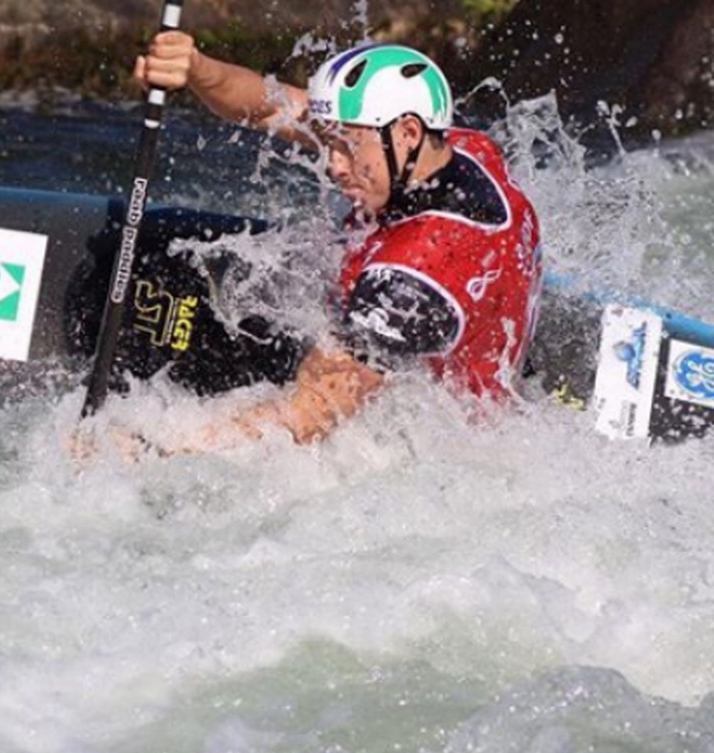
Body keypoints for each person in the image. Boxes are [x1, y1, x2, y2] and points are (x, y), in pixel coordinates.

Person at [121, 36, 543, 449]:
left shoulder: (416, 276)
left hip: (419, 449)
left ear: (409, 132)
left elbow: (307, 417)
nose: (334, 165)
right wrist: (198, 69)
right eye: (330, 141)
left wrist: (153, 449)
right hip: (416, 358)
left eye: (346, 146)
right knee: (168, 238)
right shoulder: (463, 150)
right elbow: (272, 107)